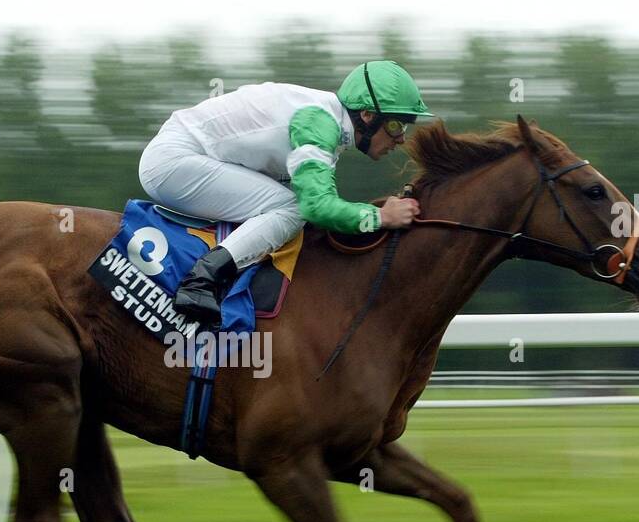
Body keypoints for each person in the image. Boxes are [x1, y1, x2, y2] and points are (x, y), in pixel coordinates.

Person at [137, 60, 430, 326]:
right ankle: (202, 280)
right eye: (395, 124)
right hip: (173, 162)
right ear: (367, 115)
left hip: (186, 155)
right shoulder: (318, 124)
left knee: (290, 206)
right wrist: (380, 216)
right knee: (293, 209)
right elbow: (316, 207)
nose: (402, 137)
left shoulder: (327, 122)